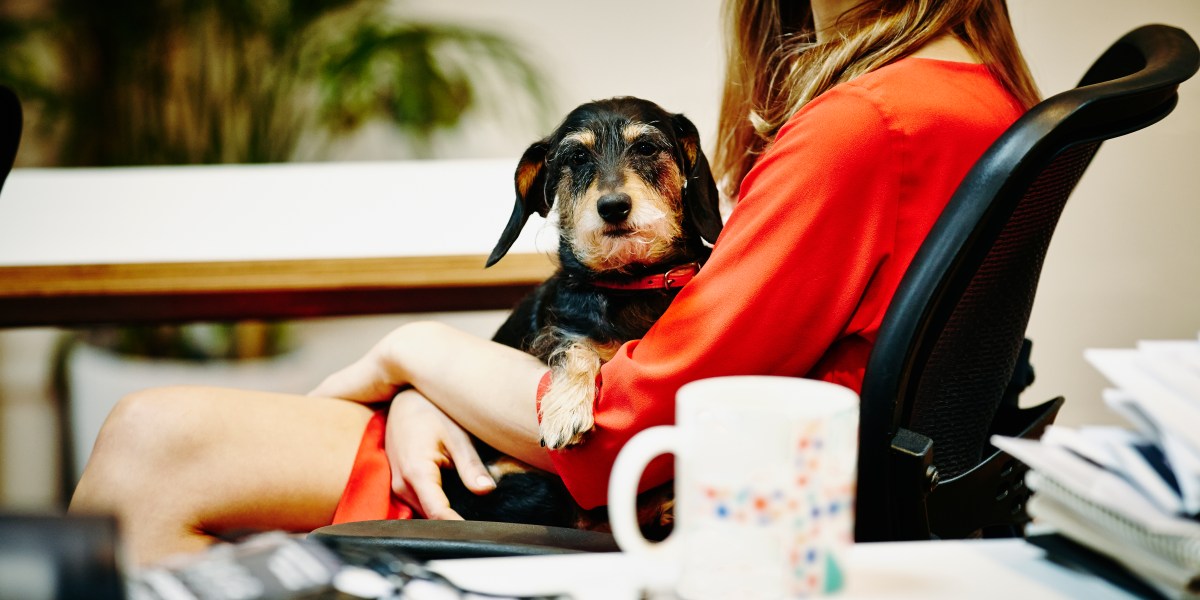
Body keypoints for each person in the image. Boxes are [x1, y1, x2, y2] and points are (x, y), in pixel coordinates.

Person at [69, 0, 1040, 565]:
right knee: (157, 436)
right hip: (666, 461)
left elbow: (626, 421)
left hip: (618, 494)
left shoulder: (862, 126)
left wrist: (411, 355)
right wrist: (427, 394)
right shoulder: (971, 94)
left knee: (155, 442)